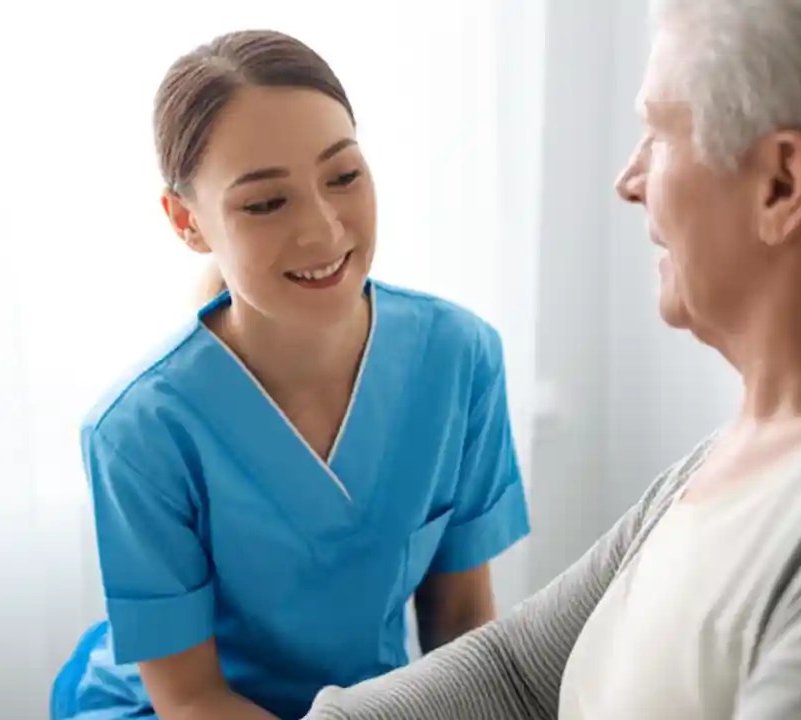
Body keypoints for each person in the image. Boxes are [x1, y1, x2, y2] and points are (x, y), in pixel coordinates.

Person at [305, 0, 801, 718]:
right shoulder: (730, 457)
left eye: (658, 134)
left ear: (782, 184)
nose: (629, 179)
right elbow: (516, 674)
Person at [48, 29, 531, 720]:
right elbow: (189, 699)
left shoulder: (459, 359)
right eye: (266, 203)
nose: (324, 231)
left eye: (343, 177)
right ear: (188, 222)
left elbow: (460, 626)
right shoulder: (137, 432)